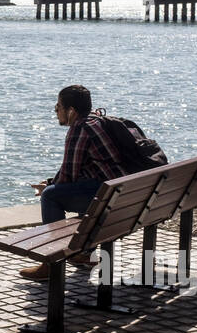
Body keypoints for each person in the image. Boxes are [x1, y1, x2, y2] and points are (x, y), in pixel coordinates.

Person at [20, 84, 127, 280]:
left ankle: (52, 263)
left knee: (51, 196)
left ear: (71, 111)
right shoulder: (97, 121)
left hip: (110, 198)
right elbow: (79, 170)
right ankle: (84, 254)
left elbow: (69, 173)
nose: (55, 110)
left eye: (58, 106)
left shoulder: (80, 129)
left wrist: (49, 186)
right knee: (83, 187)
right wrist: (54, 181)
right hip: (125, 193)